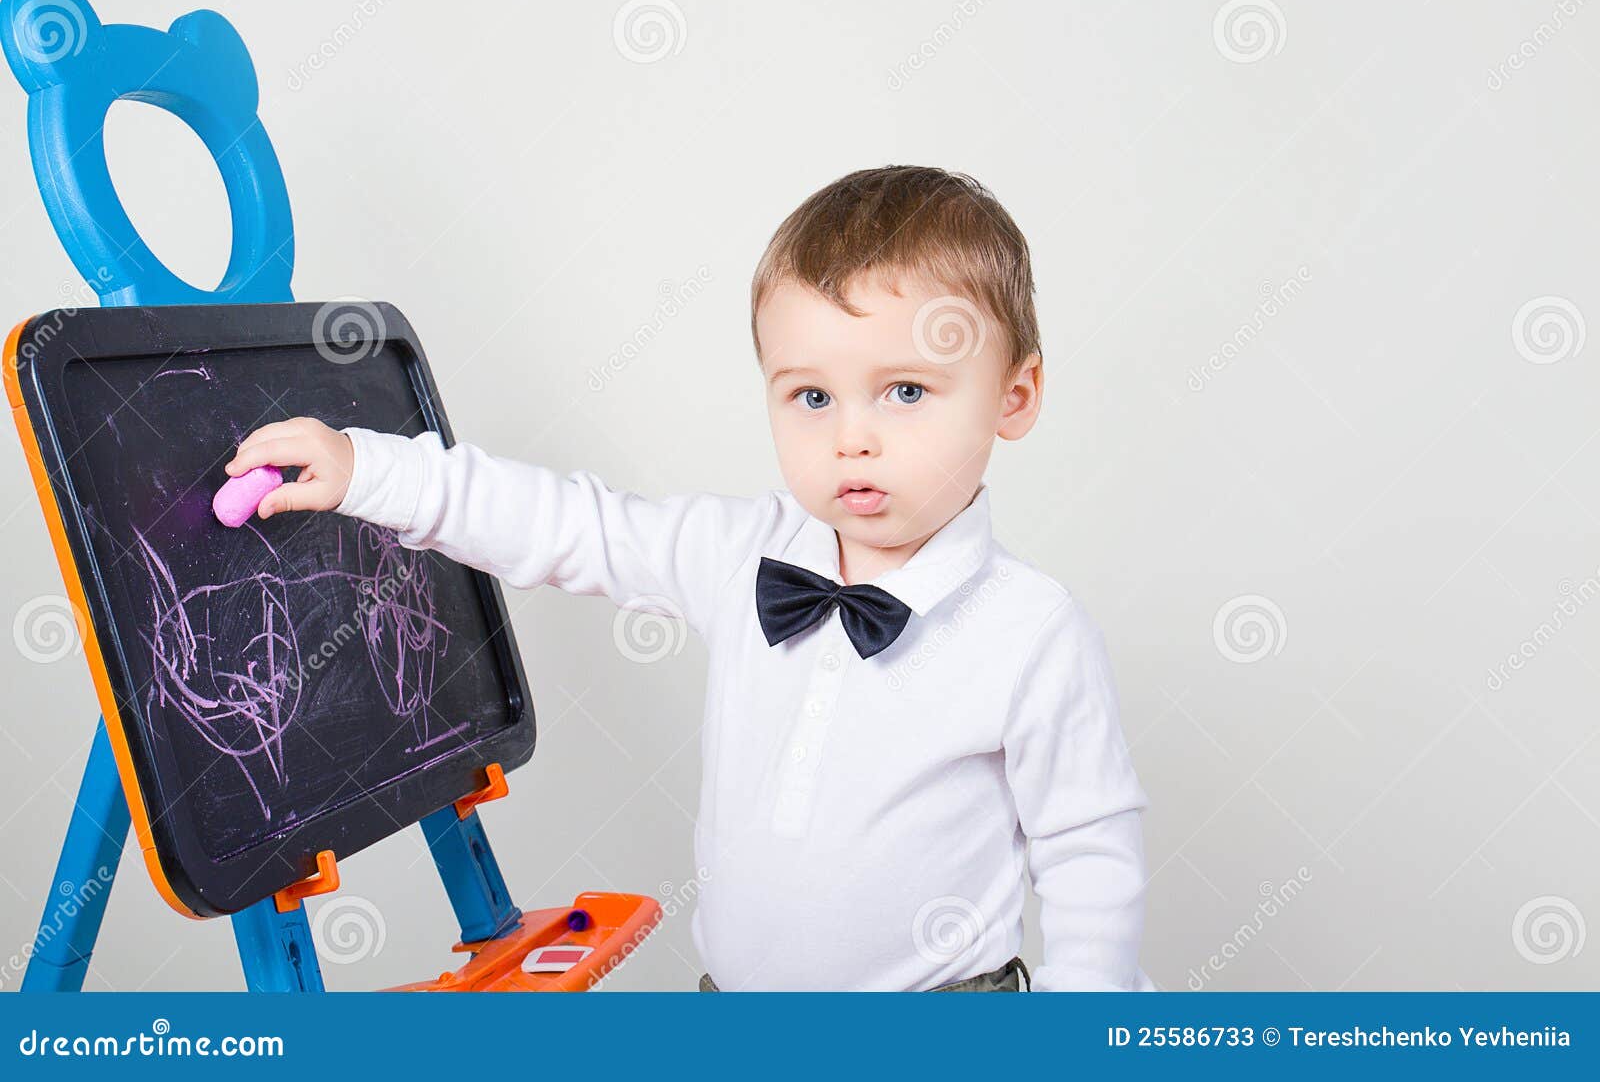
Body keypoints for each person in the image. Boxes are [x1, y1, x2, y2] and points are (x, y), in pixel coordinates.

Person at [224, 165, 1155, 991]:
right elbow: (571, 525)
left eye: (905, 390)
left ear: (1015, 396)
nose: (852, 436)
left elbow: (1090, 857)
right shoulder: (743, 551)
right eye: (812, 396)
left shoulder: (1030, 629)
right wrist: (375, 471)